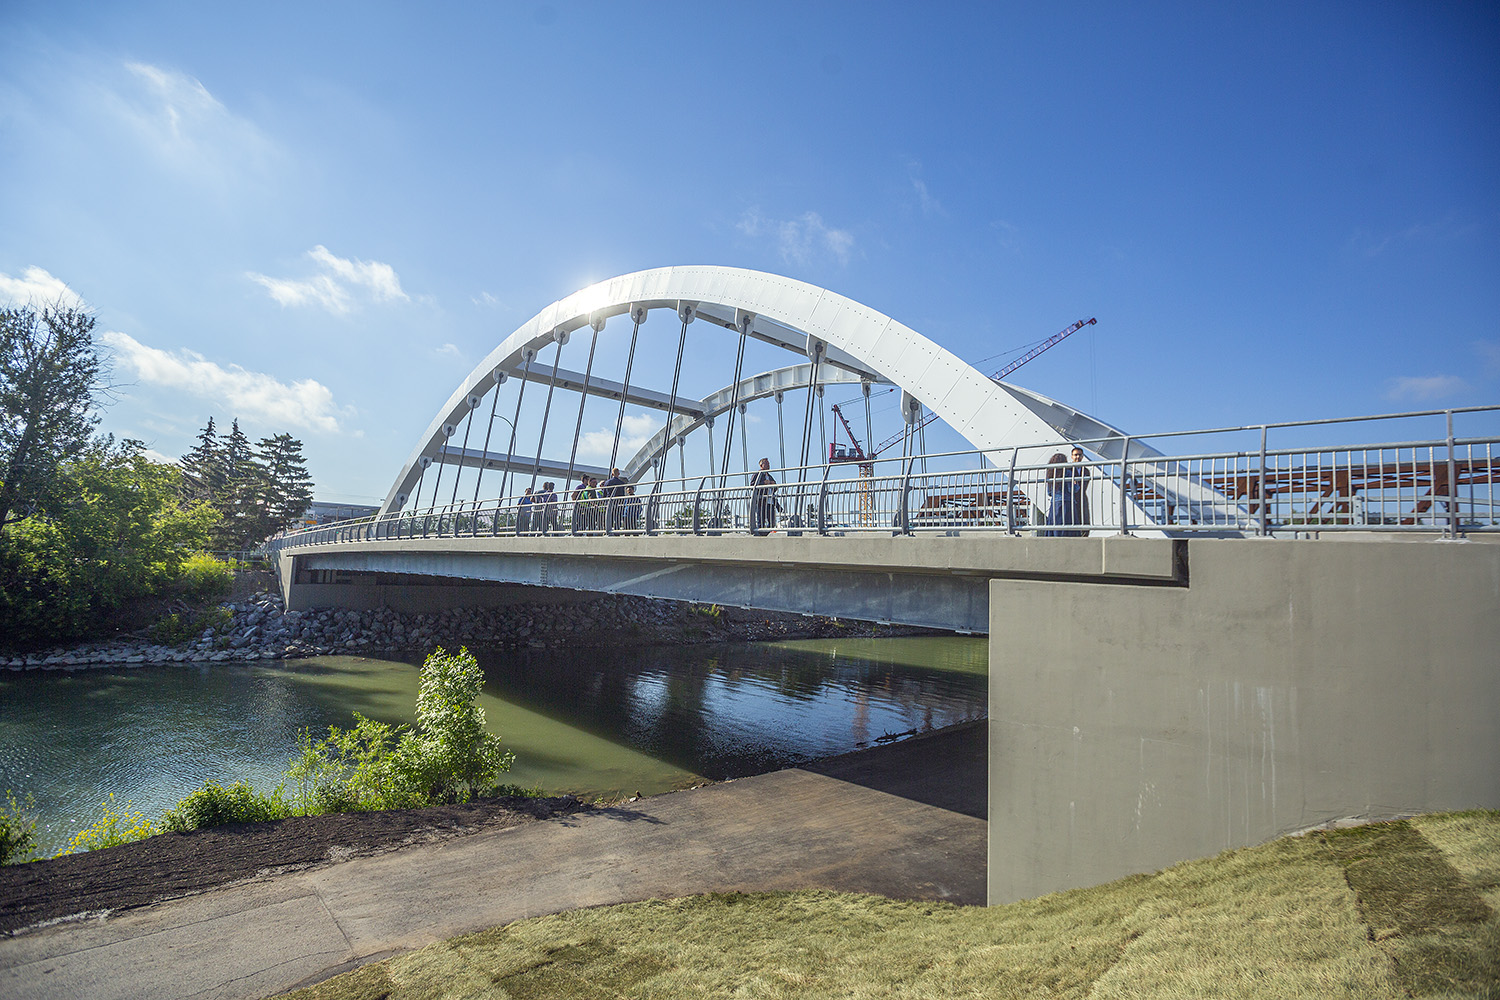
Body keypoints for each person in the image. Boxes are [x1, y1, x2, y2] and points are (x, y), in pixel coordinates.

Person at [750, 457, 778, 534]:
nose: (769, 465)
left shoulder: (769, 476)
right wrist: (763, 483)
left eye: (769, 463)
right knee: (761, 519)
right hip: (761, 501)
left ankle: (766, 533)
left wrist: (773, 484)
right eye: (766, 463)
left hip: (770, 501)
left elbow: (775, 487)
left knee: (772, 521)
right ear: (761, 465)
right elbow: (752, 485)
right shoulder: (757, 474)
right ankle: (761, 534)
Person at [1067, 446, 1092, 532]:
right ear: (1071, 456)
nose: (1078, 457)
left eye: (1080, 455)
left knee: (1084, 518)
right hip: (1070, 498)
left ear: (1082, 456)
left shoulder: (1086, 471)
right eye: (1075, 455)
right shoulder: (1067, 469)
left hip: (1081, 497)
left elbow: (1084, 486)